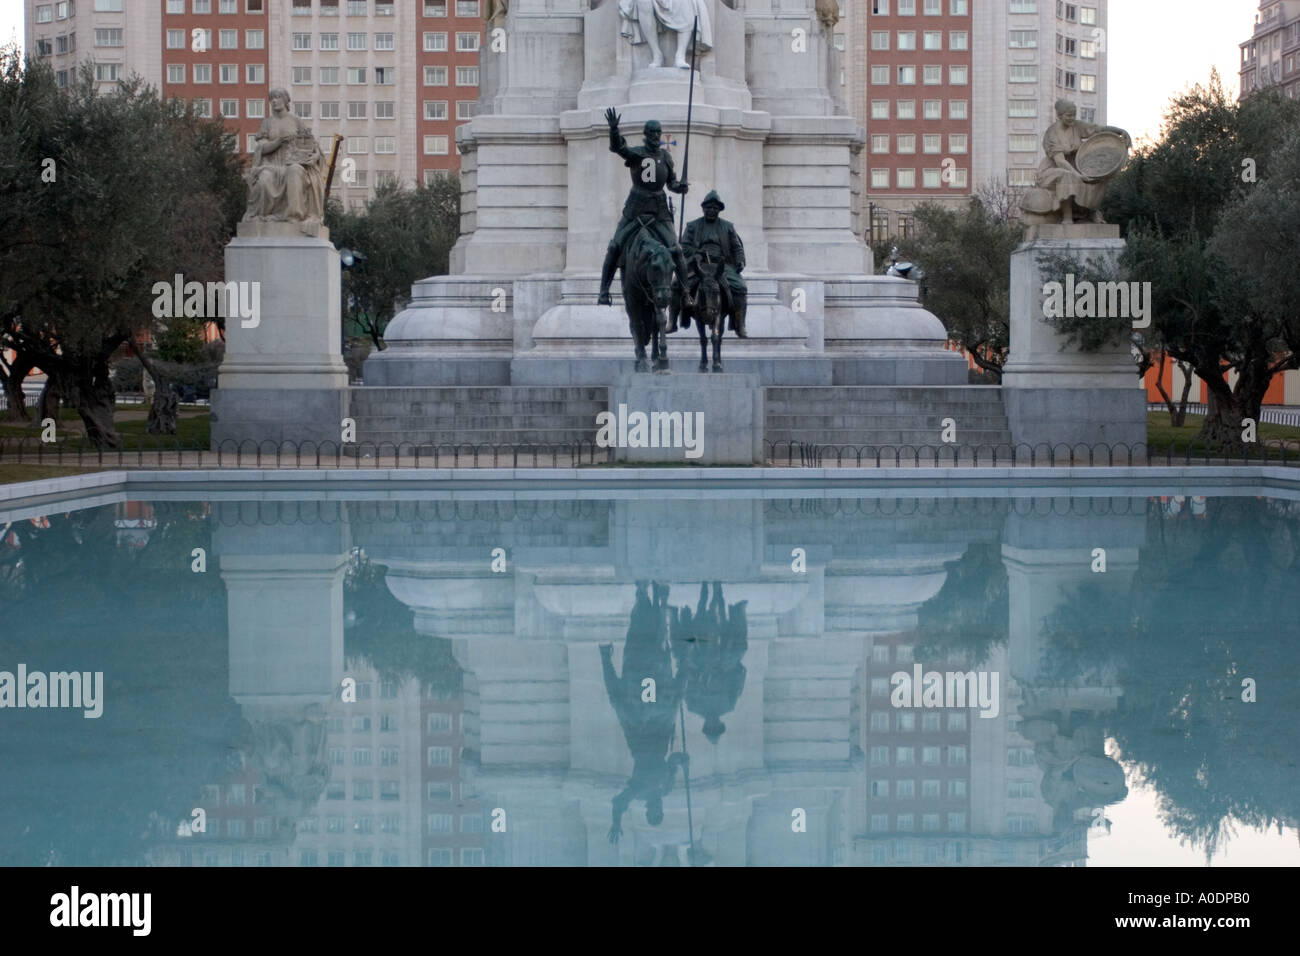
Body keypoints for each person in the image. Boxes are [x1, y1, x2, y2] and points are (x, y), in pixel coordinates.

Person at [600, 582, 687, 844]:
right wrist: (682, 761)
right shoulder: (665, 787)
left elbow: (618, 803)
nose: (656, 807)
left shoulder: (642, 790)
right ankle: (659, 604)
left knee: (617, 698)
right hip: (659, 730)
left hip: (640, 733)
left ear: (649, 809)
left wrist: (616, 823)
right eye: (658, 810)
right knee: (671, 692)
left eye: (653, 810)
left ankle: (649, 600)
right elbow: (674, 760)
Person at [598, 108, 694, 309]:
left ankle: (686, 293)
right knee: (615, 246)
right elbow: (618, 147)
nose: (656, 136)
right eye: (652, 133)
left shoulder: (666, 157)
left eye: (658, 133)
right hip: (635, 209)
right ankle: (604, 291)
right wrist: (614, 130)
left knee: (676, 249)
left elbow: (671, 183)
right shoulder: (637, 154)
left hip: (659, 210)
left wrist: (680, 187)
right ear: (646, 135)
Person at [1029, 99, 1131, 225]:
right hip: (1052, 169)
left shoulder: (1077, 126)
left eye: (1074, 115)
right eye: (1069, 115)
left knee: (1099, 178)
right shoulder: (1052, 133)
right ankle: (1067, 216)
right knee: (1067, 176)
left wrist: (1120, 131)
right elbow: (1060, 161)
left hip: (1077, 164)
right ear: (1060, 116)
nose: (1072, 118)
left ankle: (1091, 212)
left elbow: (1098, 130)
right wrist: (1077, 175)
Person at [243, 88, 327, 226]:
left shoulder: (296, 121)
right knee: (264, 179)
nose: (274, 101)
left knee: (294, 171)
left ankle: (294, 216)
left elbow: (312, 145)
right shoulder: (267, 122)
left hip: (293, 163)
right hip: (272, 165)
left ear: (286, 100)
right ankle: (262, 217)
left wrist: (315, 156)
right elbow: (261, 148)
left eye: (278, 97)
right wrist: (278, 142)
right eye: (272, 99)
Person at [680, 191, 748, 337]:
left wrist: (740, 260)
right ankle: (674, 321)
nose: (711, 210)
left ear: (719, 210)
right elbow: (684, 246)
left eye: (715, 208)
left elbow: (737, 247)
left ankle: (739, 324)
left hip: (721, 267)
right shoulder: (692, 226)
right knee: (676, 285)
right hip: (698, 265)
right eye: (709, 208)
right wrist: (695, 254)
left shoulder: (728, 227)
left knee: (741, 287)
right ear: (703, 209)